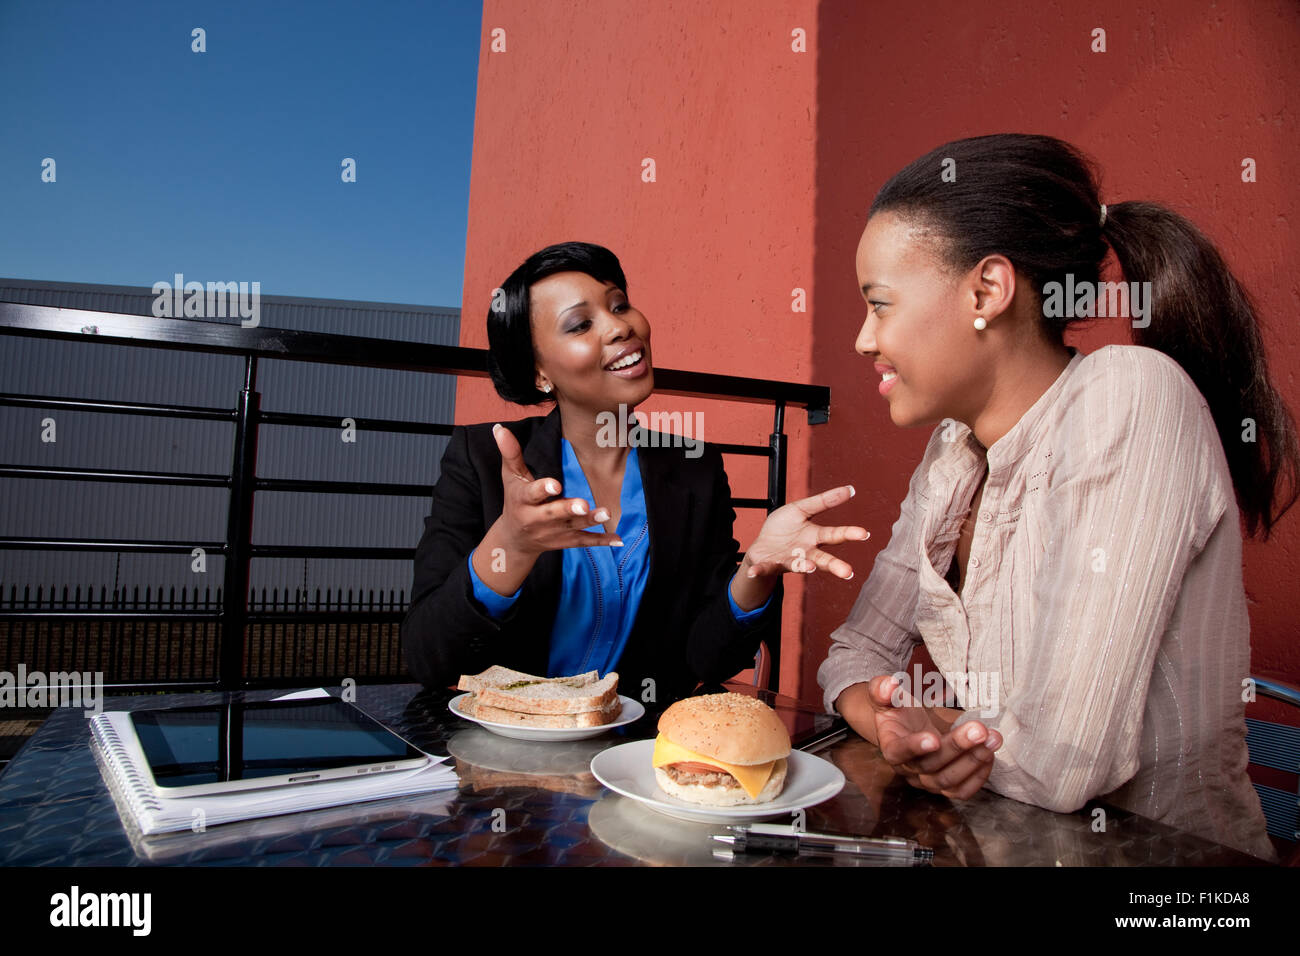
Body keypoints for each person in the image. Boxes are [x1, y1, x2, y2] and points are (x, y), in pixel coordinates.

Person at [818, 133, 1298, 860]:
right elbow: (853, 652)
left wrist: (935, 729)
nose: (863, 340)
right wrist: (889, 721)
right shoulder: (951, 454)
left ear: (986, 291)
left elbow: (1066, 762)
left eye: (880, 305)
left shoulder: (1130, 398)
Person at [403, 241, 869, 708]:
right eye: (581, 324)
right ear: (539, 372)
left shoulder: (694, 467)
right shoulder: (482, 458)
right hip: (503, 750)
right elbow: (430, 659)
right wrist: (512, 543)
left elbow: (706, 660)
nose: (620, 326)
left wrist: (755, 573)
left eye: (619, 303)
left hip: (634, 754)